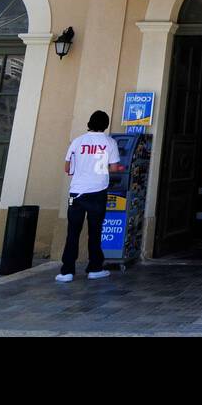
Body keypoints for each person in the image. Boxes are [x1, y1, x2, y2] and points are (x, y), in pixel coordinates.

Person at [57, 110, 124, 283]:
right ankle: (95, 267)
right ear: (106, 125)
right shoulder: (110, 142)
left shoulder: (77, 142)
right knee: (95, 231)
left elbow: (67, 168)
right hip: (98, 191)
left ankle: (67, 271)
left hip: (77, 192)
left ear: (89, 123)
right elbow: (114, 168)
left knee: (73, 231)